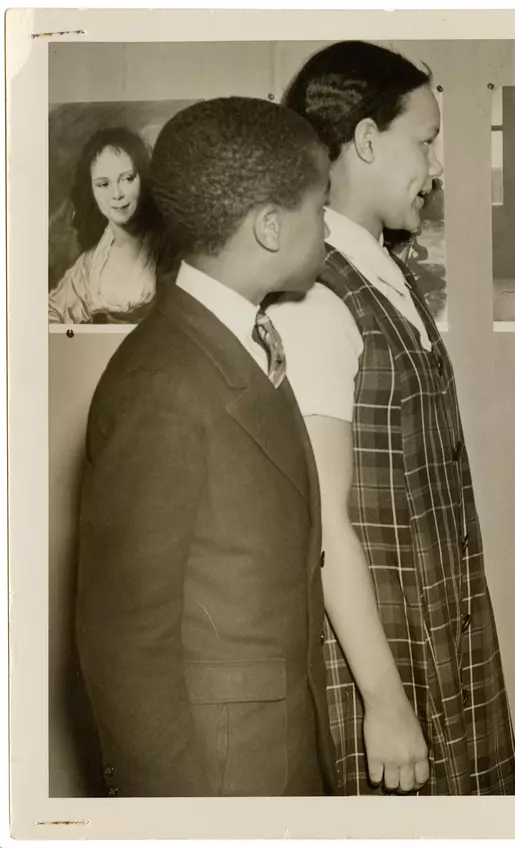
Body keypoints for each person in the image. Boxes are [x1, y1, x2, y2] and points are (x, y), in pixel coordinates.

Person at [268, 40, 515, 796]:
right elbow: (325, 526)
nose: (437, 166)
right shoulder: (314, 297)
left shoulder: (384, 270)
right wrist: (383, 703)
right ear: (368, 140)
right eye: (427, 140)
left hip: (438, 628)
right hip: (383, 657)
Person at [75, 97, 336, 797]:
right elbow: (126, 644)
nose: (329, 230)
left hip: (275, 749)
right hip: (217, 779)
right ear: (271, 227)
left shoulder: (232, 339)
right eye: (322, 207)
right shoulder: (162, 381)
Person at [49, 127, 164, 324]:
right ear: (92, 190)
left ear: (143, 179)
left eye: (127, 179)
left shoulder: (170, 248)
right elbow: (49, 314)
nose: (117, 194)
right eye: (103, 184)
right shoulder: (89, 266)